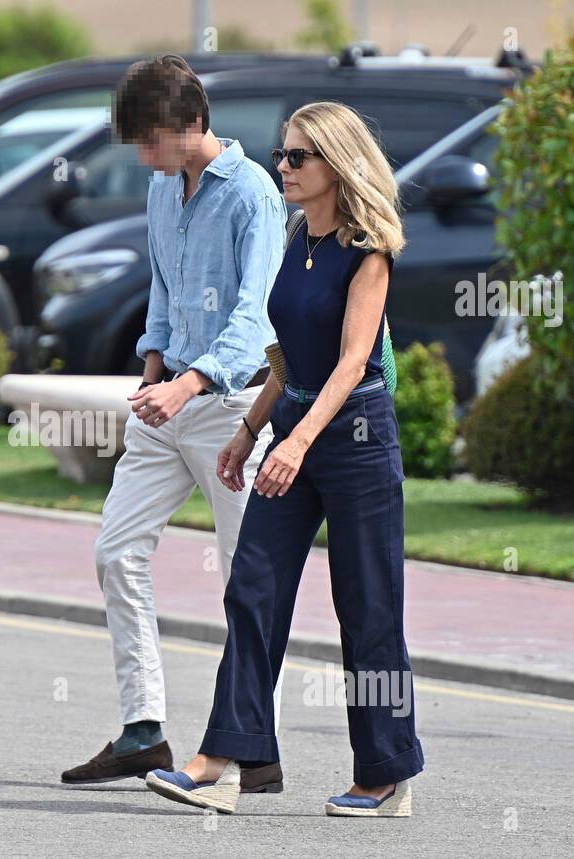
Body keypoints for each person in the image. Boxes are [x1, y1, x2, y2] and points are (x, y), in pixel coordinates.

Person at [145, 101, 424, 816]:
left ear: (336, 165)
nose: (285, 168)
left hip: (354, 433)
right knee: (254, 587)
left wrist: (298, 443)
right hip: (294, 418)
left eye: (299, 157)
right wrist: (252, 433)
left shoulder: (367, 251)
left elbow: (353, 360)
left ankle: (385, 772)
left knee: (367, 607)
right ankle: (226, 756)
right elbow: (288, 355)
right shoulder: (299, 236)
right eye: (283, 155)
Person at [61, 54, 287, 795]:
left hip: (233, 409)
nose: (144, 156)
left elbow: (255, 319)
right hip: (169, 402)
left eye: (152, 140)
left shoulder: (253, 193)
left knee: (246, 580)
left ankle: (245, 747)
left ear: (194, 123)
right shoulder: (165, 187)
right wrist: (155, 362)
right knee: (114, 552)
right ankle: (143, 730)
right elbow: (163, 283)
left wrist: (190, 383)